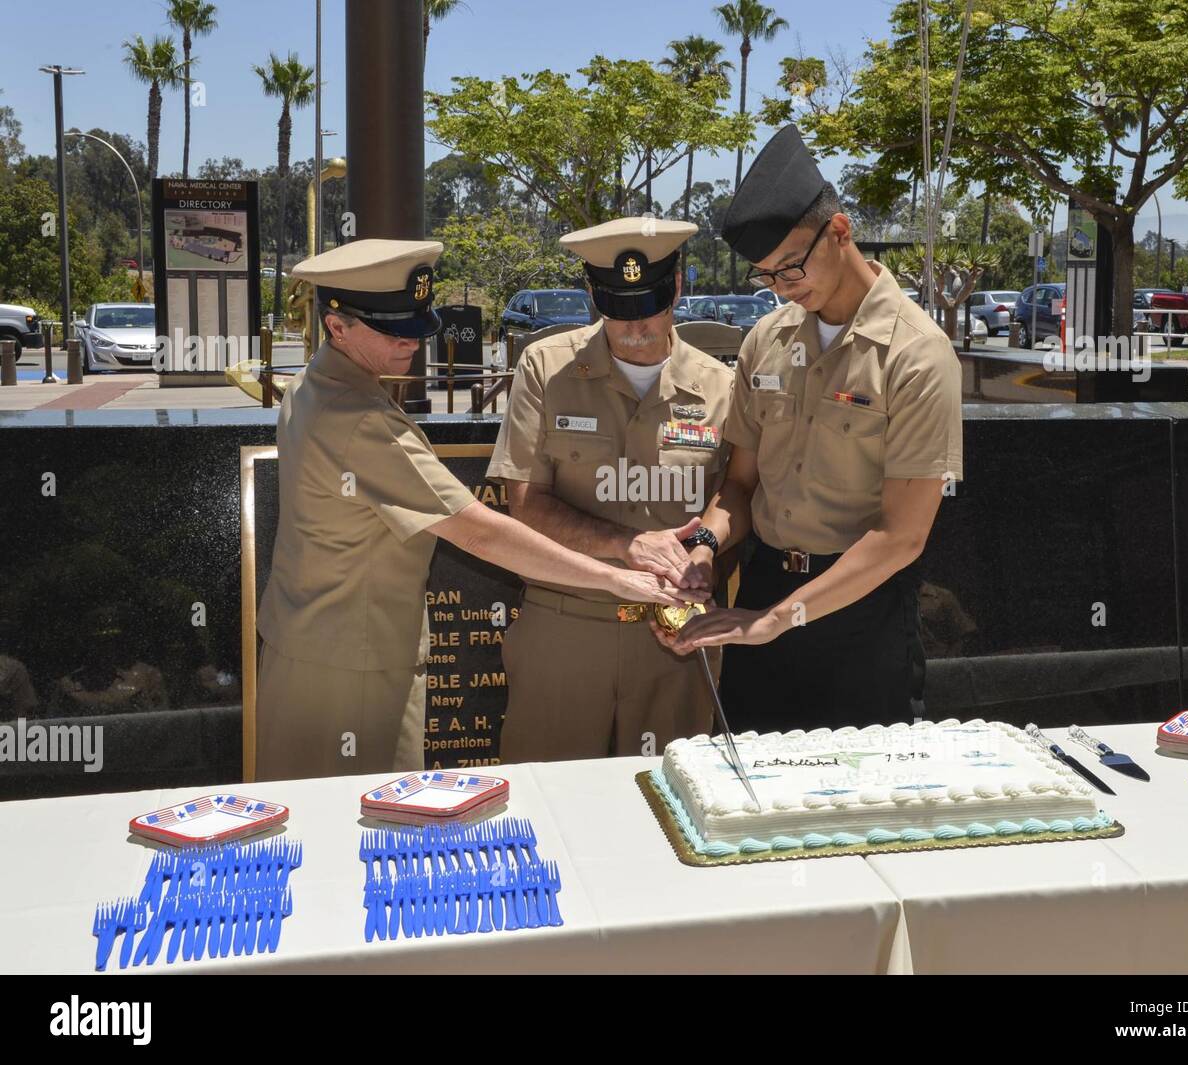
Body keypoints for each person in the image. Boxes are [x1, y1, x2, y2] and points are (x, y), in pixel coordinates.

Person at [255, 238, 700, 781]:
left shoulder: (312, 383)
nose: (409, 345)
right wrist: (617, 578)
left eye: (414, 327)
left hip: (309, 648)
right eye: (391, 330)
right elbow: (480, 533)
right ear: (337, 325)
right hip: (353, 670)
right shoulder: (360, 419)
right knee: (371, 831)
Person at [660, 125, 964, 732]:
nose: (781, 289)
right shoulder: (766, 339)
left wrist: (777, 618)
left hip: (861, 610)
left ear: (840, 232)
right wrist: (705, 547)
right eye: (766, 277)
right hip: (765, 589)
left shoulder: (915, 354)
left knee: (856, 809)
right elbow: (740, 486)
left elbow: (901, 536)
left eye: (790, 269)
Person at [487, 217, 734, 761]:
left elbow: (735, 494)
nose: (635, 327)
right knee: (549, 812)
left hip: (675, 635)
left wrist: (704, 551)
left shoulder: (721, 386)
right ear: (594, 297)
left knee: (673, 806)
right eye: (618, 311)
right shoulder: (547, 369)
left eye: (648, 306)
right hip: (566, 627)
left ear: (676, 287)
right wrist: (627, 546)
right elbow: (525, 506)